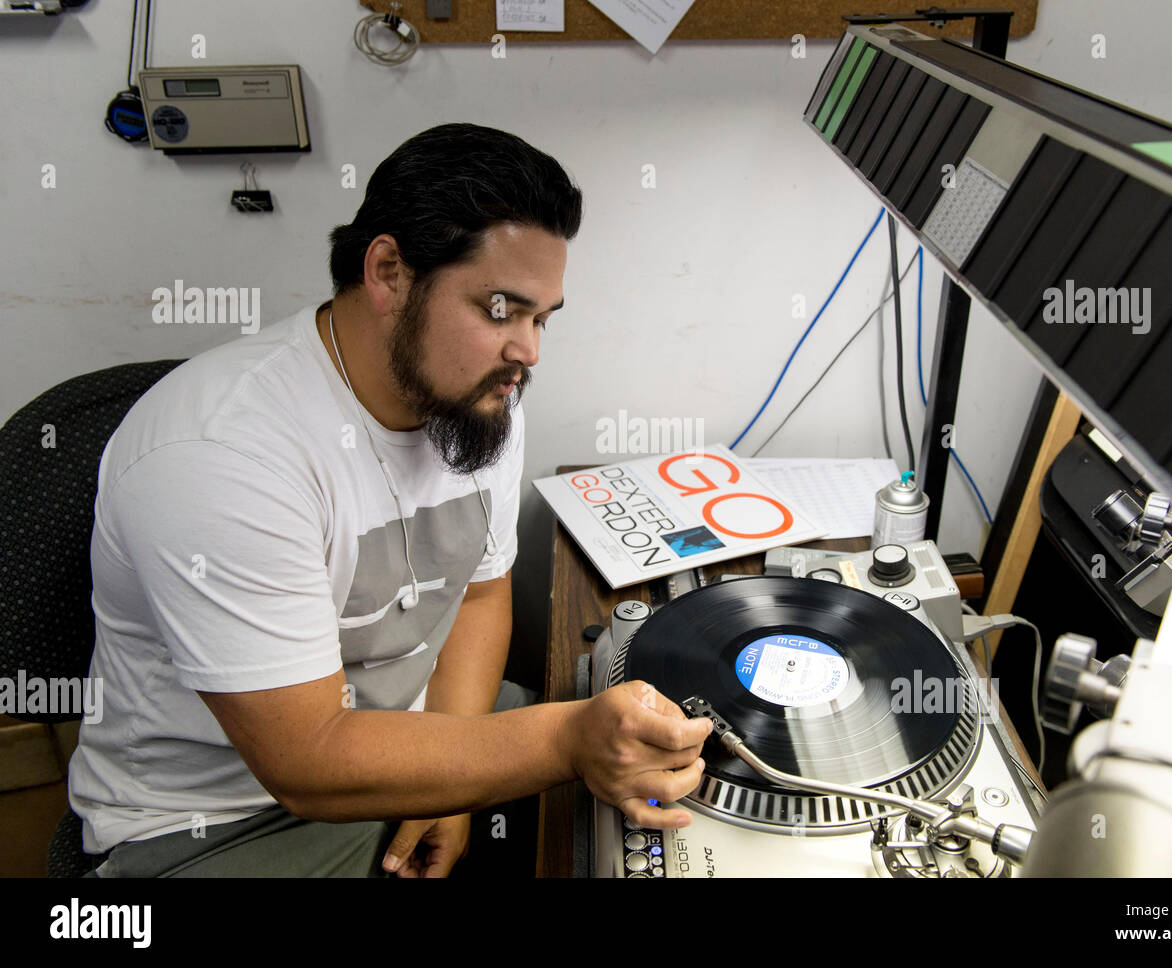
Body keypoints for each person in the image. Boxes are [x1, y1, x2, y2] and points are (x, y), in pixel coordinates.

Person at [67, 123, 710, 878]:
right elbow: (305, 759)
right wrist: (562, 743)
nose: (529, 352)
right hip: (226, 819)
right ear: (388, 272)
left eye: (542, 318)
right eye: (501, 310)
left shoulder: (479, 400)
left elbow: (477, 595)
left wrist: (453, 784)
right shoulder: (220, 457)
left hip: (412, 730)